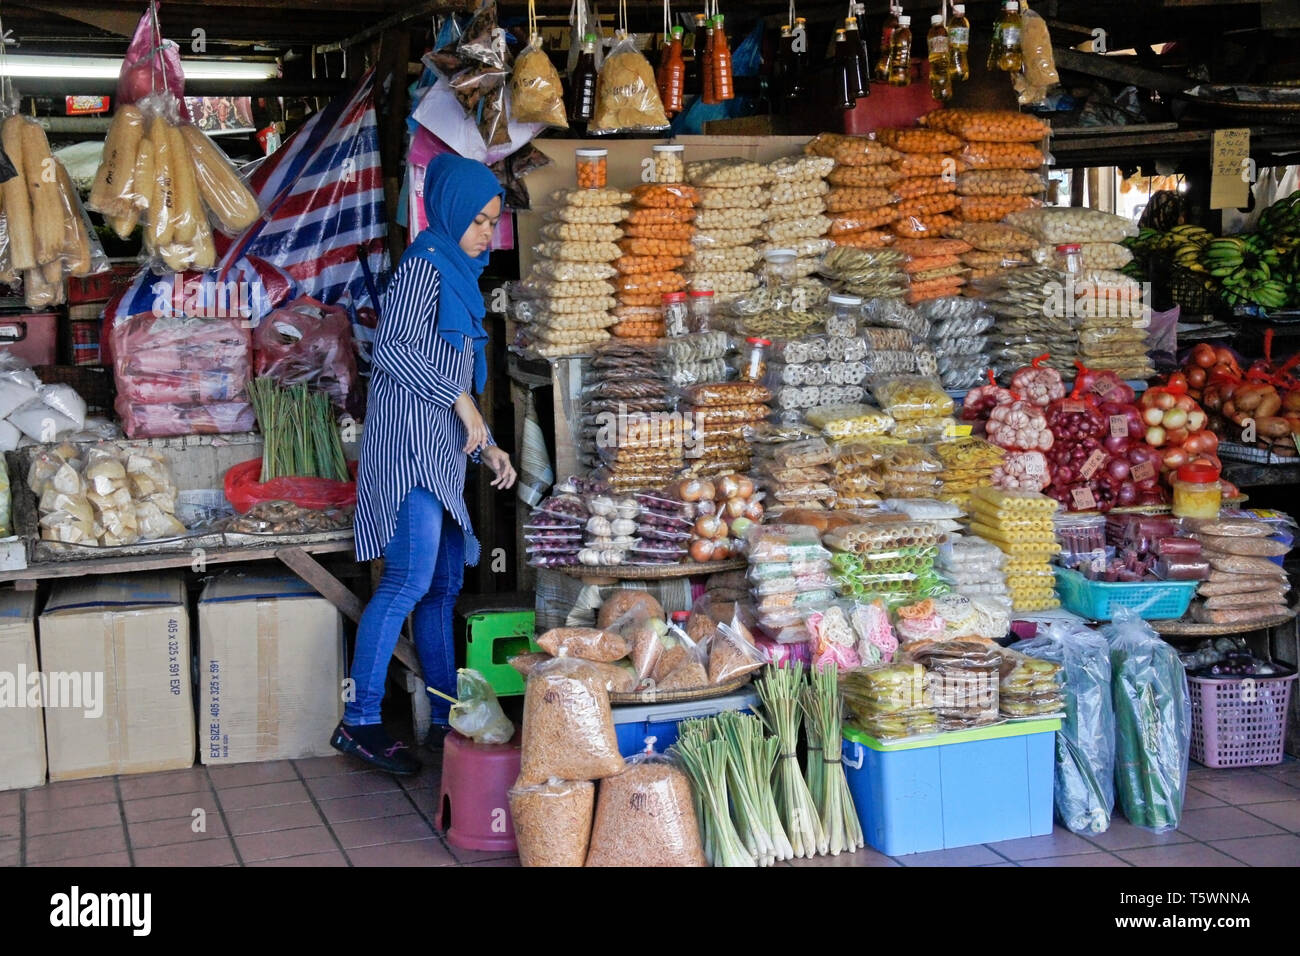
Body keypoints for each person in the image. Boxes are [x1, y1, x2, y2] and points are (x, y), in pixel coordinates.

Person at [331, 154, 517, 775]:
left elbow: (454, 372)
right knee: (407, 582)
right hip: (408, 453)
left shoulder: (459, 274)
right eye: (479, 221)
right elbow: (393, 352)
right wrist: (464, 405)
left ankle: (443, 718)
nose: (487, 233)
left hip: (442, 451)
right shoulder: (424, 267)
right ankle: (359, 723)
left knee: (440, 590)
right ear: (450, 213)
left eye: (493, 222)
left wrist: (485, 440)